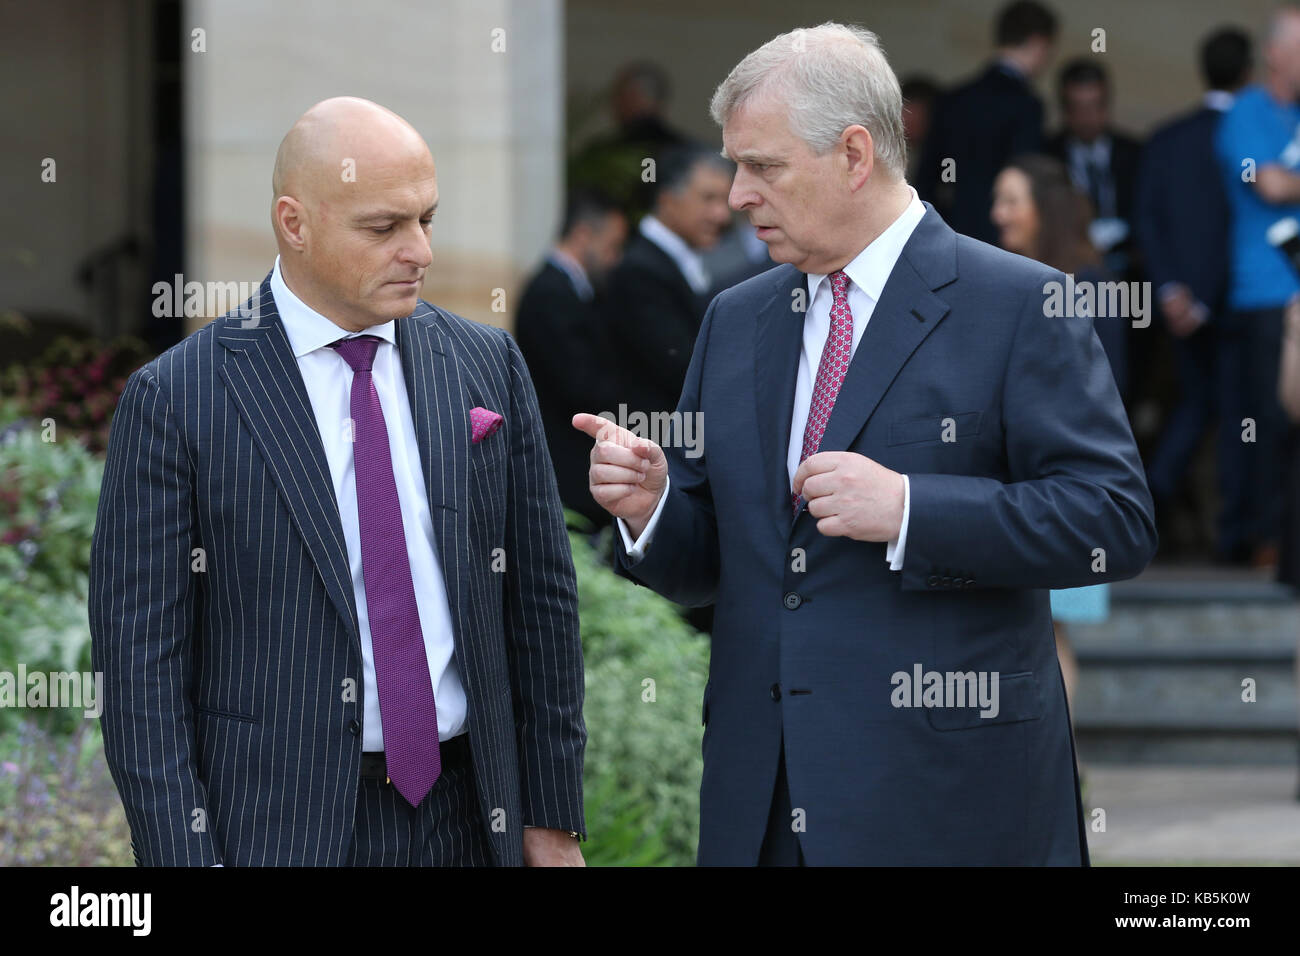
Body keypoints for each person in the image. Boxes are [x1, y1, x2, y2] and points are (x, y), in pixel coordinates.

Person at [575, 23, 1157, 866]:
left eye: (762, 166)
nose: (737, 194)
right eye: (735, 165)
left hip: (947, 803)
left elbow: (1114, 521)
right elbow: (716, 566)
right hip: (763, 800)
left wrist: (911, 510)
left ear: (854, 154)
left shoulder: (1021, 303)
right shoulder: (737, 317)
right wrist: (654, 507)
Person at [89, 97, 586, 867]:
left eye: (427, 219)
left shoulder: (487, 364)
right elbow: (139, 671)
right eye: (384, 227)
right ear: (295, 223)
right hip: (277, 831)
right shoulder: (178, 397)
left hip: (466, 818)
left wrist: (550, 820)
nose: (419, 250)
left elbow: (542, 608)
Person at [990, 152, 1124, 724]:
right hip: (1017, 483)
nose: (997, 214)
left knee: (1050, 632)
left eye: (1011, 201)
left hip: (1057, 483)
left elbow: (1100, 396)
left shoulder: (1086, 284)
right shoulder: (1001, 279)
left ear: (1045, 209)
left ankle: (1061, 767)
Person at [1136, 28, 1253, 561]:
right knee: (1234, 415)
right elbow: (1243, 223)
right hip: (1235, 303)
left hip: (1177, 306)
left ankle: (1154, 493)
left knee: (1196, 404)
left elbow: (1147, 219)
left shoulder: (1166, 138)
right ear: (1248, 71)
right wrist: (1203, 296)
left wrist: (1171, 290)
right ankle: (1232, 537)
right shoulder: (1249, 134)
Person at [1217, 3, 1300, 569]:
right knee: (1269, 423)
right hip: (1266, 293)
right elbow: (1268, 184)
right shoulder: (1244, 113)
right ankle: (1265, 540)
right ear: (1273, 52)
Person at [516, 188, 628, 530]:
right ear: (583, 235)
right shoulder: (551, 292)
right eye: (612, 245)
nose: (615, 258)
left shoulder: (569, 289)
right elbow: (580, 383)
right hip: (564, 461)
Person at [606, 142, 733, 424]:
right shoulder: (639, 270)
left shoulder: (681, 259)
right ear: (667, 199)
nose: (721, 215)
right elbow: (683, 367)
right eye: (708, 199)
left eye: (724, 200)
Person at [917, 0, 1058, 244]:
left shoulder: (953, 99)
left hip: (949, 235)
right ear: (1038, 43)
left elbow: (926, 179)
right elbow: (1026, 179)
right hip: (1004, 240)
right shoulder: (1026, 105)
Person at [1046, 59, 1144, 280]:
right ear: (1065, 110)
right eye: (1078, 108)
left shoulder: (1135, 154)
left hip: (1129, 277)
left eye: (1095, 106)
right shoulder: (1047, 156)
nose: (1087, 117)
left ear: (1107, 105)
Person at [568, 60, 689, 224]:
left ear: (633, 96)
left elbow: (649, 183)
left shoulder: (650, 149)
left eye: (619, 96)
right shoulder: (683, 148)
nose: (614, 104)